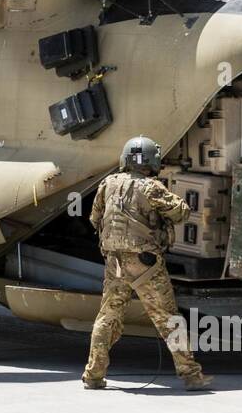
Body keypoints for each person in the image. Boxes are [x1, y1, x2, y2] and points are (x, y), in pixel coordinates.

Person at [83, 135, 214, 391]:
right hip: (146, 264)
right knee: (168, 319)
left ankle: (93, 375)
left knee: (107, 318)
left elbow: (94, 218)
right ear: (151, 160)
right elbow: (182, 212)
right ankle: (191, 375)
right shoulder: (151, 187)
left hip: (115, 263)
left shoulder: (107, 183)